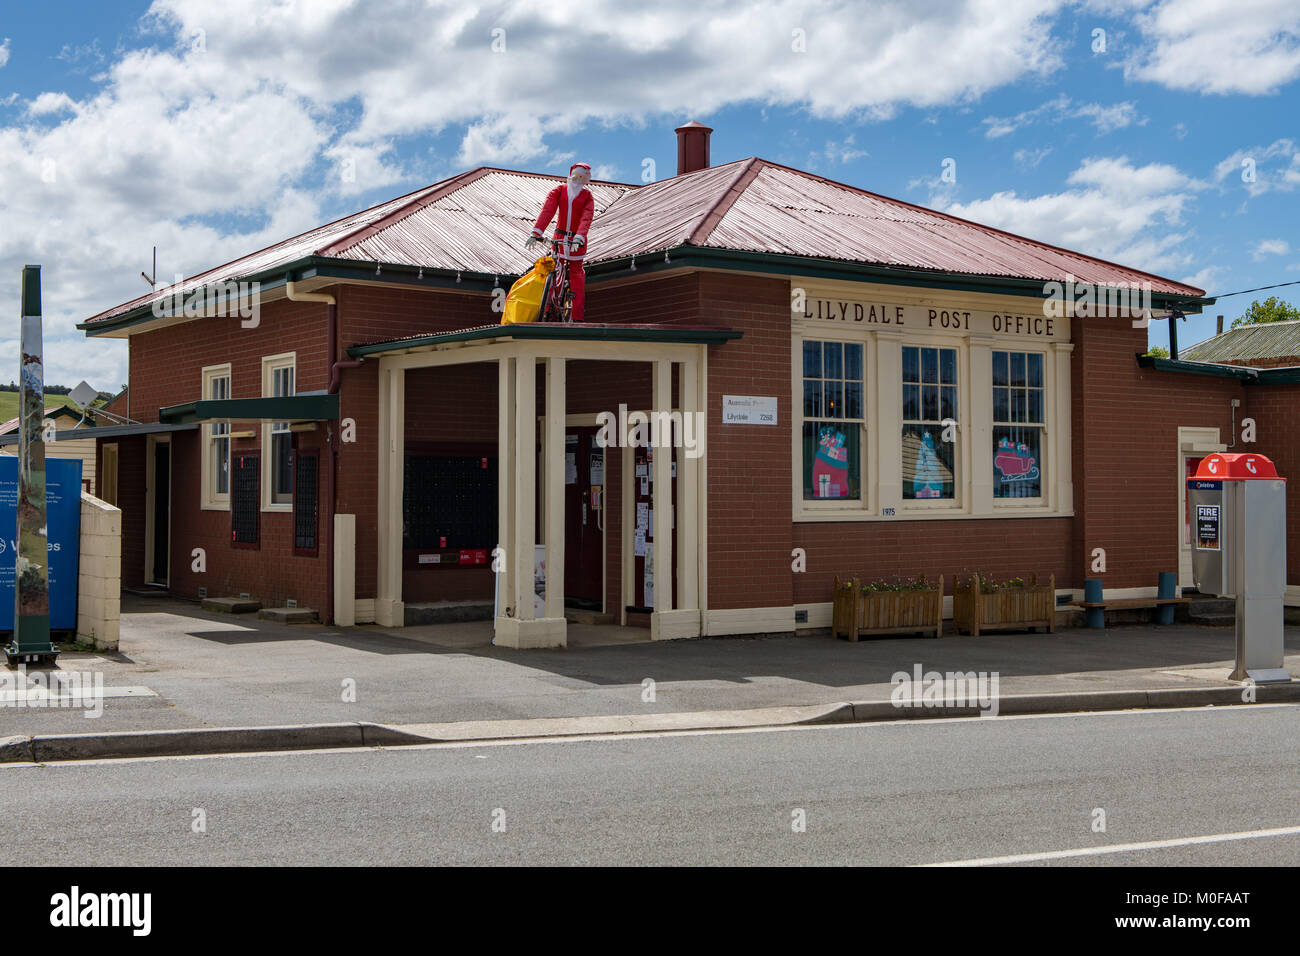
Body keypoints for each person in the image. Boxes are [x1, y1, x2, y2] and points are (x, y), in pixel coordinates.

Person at [526, 162, 594, 322]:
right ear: (571, 175)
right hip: (559, 239)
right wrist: (536, 232)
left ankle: (577, 316)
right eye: (576, 176)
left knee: (577, 275)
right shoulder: (559, 190)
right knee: (555, 270)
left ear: (586, 179)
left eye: (582, 177)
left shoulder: (587, 196)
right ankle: (547, 309)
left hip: (576, 242)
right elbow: (548, 210)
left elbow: (586, 218)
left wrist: (579, 237)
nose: (578, 180)